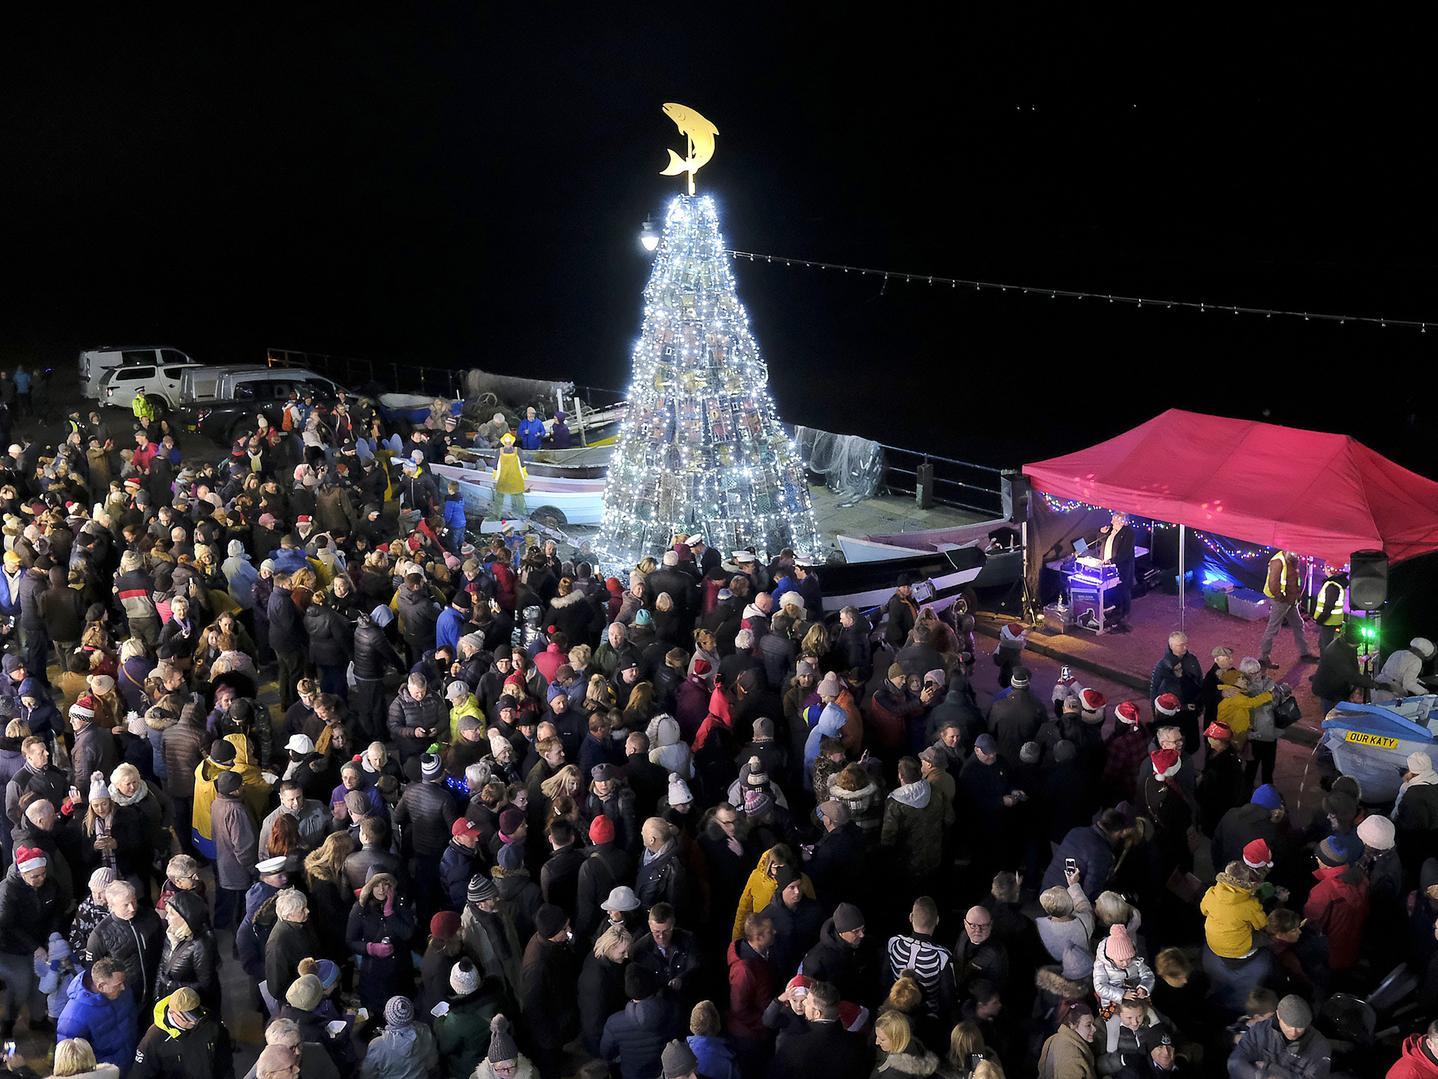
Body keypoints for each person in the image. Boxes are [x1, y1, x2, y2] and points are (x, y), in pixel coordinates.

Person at [56, 957, 138, 1075]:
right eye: (118, 985)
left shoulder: (122, 991)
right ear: (101, 986)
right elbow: (70, 1062)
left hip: (130, 1064)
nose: (123, 987)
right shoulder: (73, 1018)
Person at [128, 986, 233, 1079]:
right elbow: (139, 1074)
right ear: (172, 1012)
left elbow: (224, 1063)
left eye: (195, 1015)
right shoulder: (153, 1040)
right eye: (186, 1018)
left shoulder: (211, 1024)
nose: (193, 1022)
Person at [1226, 994, 1330, 1078]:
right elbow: (1235, 1061)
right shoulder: (1260, 1030)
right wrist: (1259, 1076)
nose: (1293, 1032)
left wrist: (1271, 1068)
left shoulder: (1320, 1047)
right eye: (1288, 1025)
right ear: (1279, 1015)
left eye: (1300, 1027)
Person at [1259, 551, 1317, 669]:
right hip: (1282, 601)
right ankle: (1263, 658)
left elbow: (1293, 580)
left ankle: (1305, 653)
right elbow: (1273, 586)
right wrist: (1283, 598)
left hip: (1290, 601)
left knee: (1298, 624)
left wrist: (1295, 596)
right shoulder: (1278, 561)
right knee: (1273, 629)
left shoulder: (1291, 559)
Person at [1097, 512, 1136, 629]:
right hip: (1107, 566)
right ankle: (1112, 613)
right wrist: (1101, 533)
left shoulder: (1129, 533)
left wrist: (1111, 561)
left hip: (1121, 567)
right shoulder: (1111, 530)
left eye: (1114, 520)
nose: (1111, 522)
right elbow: (1101, 541)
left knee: (1123, 590)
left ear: (1121, 521)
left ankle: (1124, 615)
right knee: (1111, 590)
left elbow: (1125, 552)